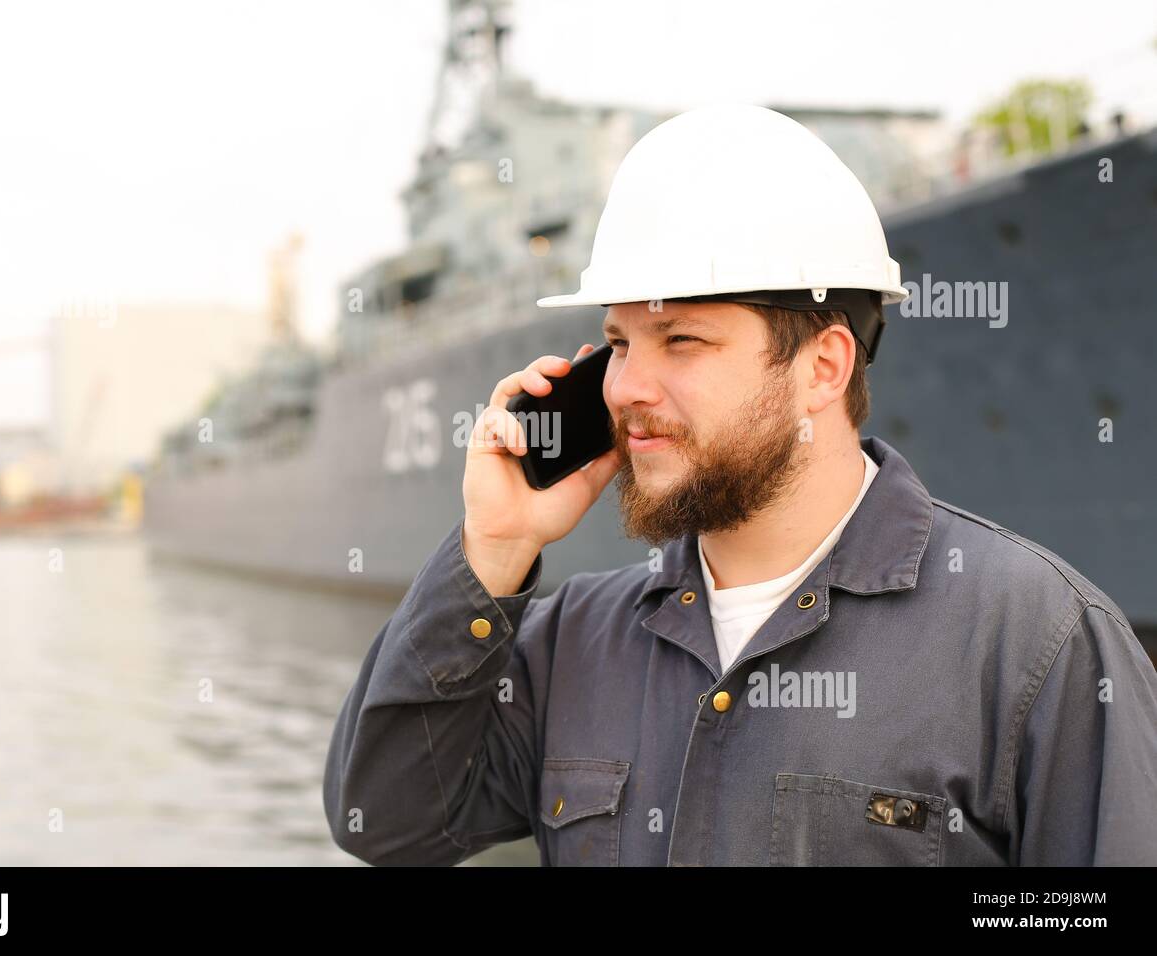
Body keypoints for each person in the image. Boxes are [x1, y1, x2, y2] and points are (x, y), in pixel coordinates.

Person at [322, 104, 1157, 866]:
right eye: (617, 342)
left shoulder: (1041, 646)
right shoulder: (570, 643)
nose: (623, 388)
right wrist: (494, 551)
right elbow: (386, 818)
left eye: (681, 340)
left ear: (823, 368)